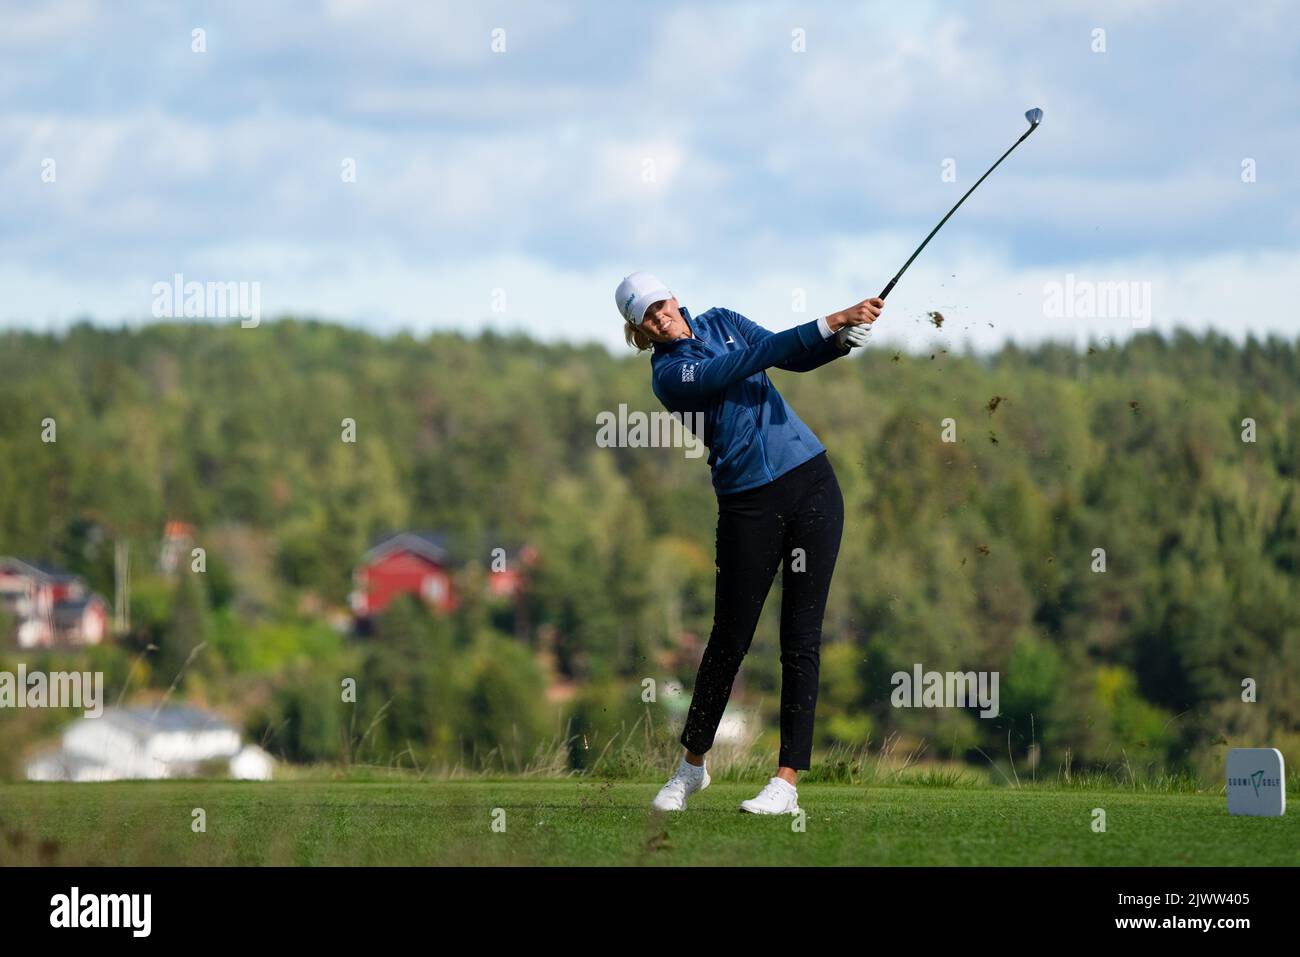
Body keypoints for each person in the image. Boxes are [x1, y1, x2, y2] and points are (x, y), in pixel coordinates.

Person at [614, 271, 882, 814]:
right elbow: (737, 365)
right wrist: (831, 319)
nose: (659, 316)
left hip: (812, 482)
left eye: (661, 303)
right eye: (646, 315)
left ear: (674, 297)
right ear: (639, 330)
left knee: (800, 638)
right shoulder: (670, 373)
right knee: (729, 638)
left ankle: (785, 783)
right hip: (748, 505)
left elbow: (787, 356)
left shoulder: (725, 320)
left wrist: (837, 345)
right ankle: (691, 768)